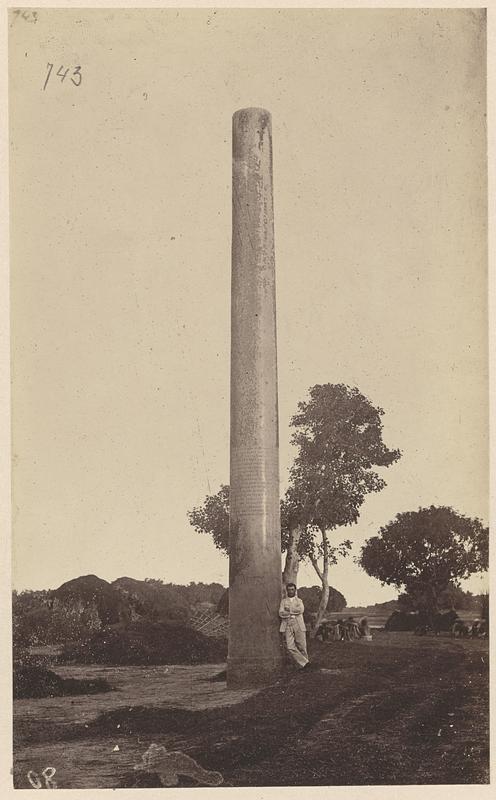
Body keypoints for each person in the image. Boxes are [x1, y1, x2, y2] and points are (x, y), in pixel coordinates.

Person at [279, 583, 310, 669]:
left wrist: (289, 610)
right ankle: (305, 663)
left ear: (295, 590)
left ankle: (303, 667)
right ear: (287, 591)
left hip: (298, 624)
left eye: (292, 589)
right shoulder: (283, 601)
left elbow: (301, 610)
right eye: (289, 589)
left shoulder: (299, 601)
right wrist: (293, 612)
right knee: (290, 646)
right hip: (288, 624)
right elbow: (281, 613)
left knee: (302, 645)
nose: (290, 591)